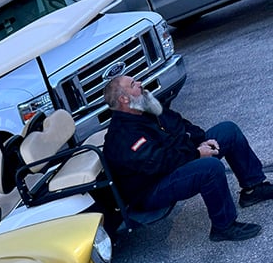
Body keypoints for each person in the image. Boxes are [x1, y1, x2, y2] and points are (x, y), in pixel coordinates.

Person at [102, 75, 273, 242]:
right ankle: (224, 226)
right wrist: (196, 153)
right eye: (133, 84)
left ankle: (253, 189)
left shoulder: (145, 110)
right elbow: (159, 162)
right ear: (124, 99)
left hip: (174, 162)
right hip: (151, 189)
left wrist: (200, 140)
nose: (140, 83)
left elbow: (179, 124)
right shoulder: (122, 135)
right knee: (210, 168)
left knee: (228, 130)